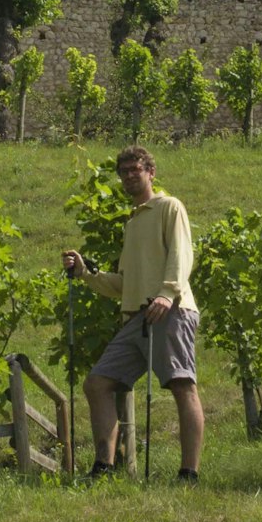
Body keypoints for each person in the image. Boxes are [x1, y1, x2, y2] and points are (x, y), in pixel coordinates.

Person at [61, 145, 205, 483]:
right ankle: (104, 468)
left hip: (170, 310)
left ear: (151, 172)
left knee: (182, 385)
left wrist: (167, 294)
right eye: (123, 172)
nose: (128, 176)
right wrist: (85, 274)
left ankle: (189, 474)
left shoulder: (169, 206)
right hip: (136, 318)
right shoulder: (133, 222)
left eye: (135, 169)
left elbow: (182, 255)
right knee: (97, 383)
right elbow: (125, 284)